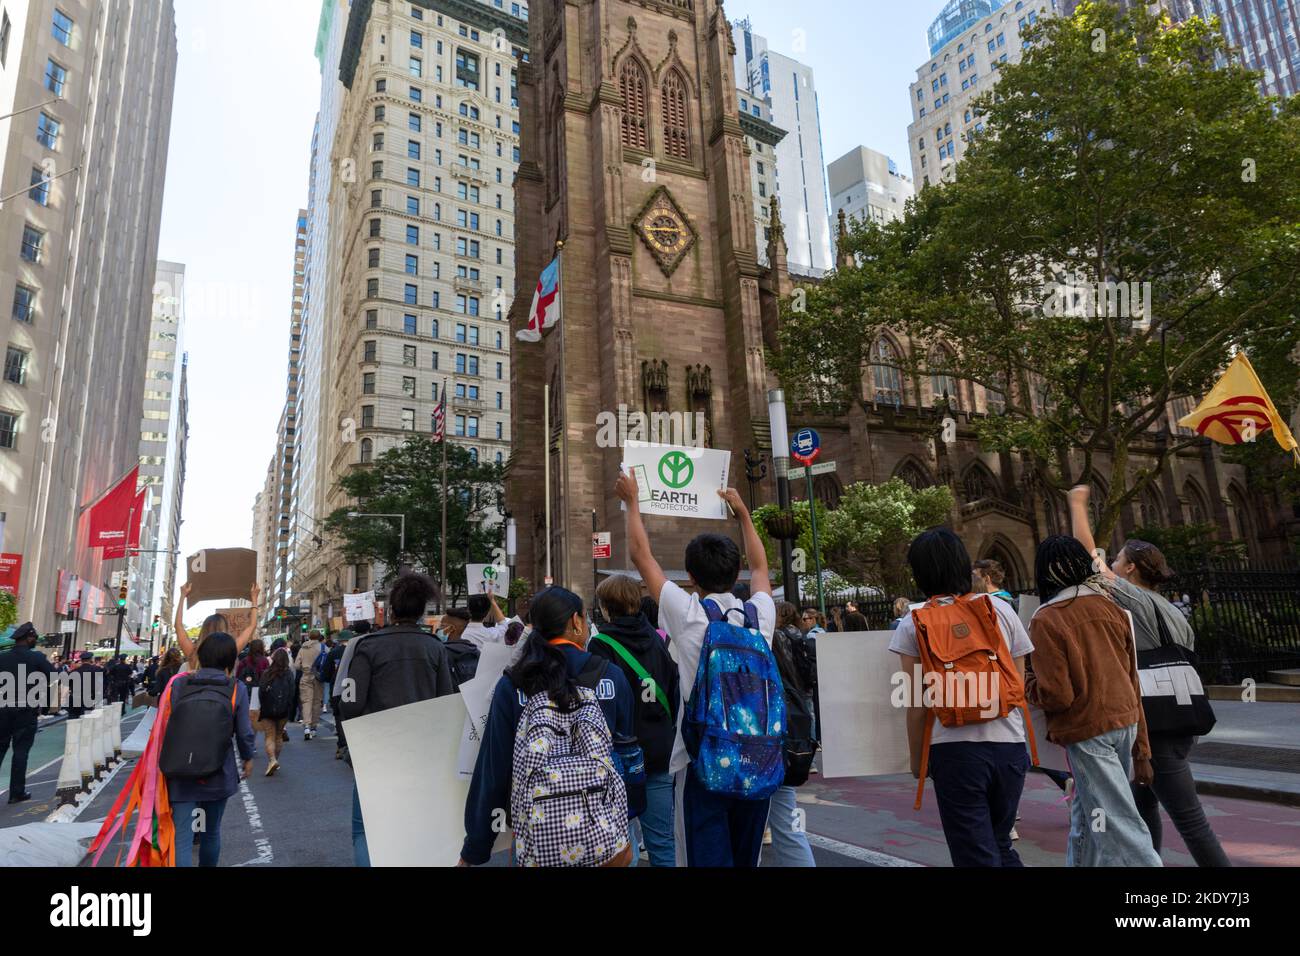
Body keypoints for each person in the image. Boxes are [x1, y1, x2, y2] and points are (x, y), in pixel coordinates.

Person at [617, 471, 777, 868]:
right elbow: (761, 570)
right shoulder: (759, 616)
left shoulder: (690, 617)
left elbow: (642, 557)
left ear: (690, 577)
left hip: (702, 765)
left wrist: (633, 501)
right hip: (758, 766)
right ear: (734, 570)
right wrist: (743, 515)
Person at [1067, 485, 1230, 867]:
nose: (1113, 562)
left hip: (1155, 726)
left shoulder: (1136, 601)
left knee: (1191, 820)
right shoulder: (1173, 610)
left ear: (1129, 569)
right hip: (1179, 720)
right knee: (1142, 811)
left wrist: (1077, 504)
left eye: (1118, 559)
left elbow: (1089, 558)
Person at [889, 528, 1034, 867]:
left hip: (954, 751)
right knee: (1001, 844)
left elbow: (916, 701)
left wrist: (916, 760)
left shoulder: (914, 621)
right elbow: (1018, 683)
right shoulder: (1002, 611)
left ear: (920, 573)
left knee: (973, 854)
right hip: (1010, 746)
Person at [460, 586, 635, 866]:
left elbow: (494, 769)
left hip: (539, 839)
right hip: (606, 837)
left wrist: (475, 847)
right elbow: (628, 756)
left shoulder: (513, 684)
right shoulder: (612, 677)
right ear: (576, 621)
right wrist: (630, 813)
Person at [1024, 534, 1162, 867]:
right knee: (1088, 816)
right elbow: (1132, 680)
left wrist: (1026, 683)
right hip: (1125, 722)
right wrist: (1142, 751)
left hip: (1087, 730)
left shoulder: (1046, 618)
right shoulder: (1113, 608)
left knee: (1118, 826)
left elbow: (1057, 696)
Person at [339, 572, 455, 867]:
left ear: (391, 610)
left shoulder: (367, 646)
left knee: (365, 829)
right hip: (421, 755)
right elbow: (447, 702)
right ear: (422, 612)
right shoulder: (435, 648)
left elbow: (350, 703)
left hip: (375, 751)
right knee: (416, 829)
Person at [589, 573, 681, 867]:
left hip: (620, 755)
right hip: (660, 751)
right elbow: (673, 690)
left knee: (621, 843)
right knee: (662, 842)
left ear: (606, 607)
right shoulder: (657, 639)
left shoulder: (600, 645)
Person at [162, 632, 255, 867]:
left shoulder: (179, 683)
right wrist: (247, 758)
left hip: (180, 769)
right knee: (210, 833)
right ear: (230, 659)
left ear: (201, 655)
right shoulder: (236, 688)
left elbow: (168, 723)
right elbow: (244, 731)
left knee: (182, 836)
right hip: (218, 770)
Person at [769, 603, 817, 866]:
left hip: (751, 750)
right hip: (785, 746)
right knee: (790, 827)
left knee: (744, 833)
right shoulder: (788, 639)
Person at [0, 623, 54, 803]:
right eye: (34, 639)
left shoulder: (2, 658)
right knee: (21, 752)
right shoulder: (36, 658)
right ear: (29, 638)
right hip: (25, 710)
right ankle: (16, 793)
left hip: (3, 710)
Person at [173, 581, 260, 673]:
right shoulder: (232, 649)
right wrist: (254, 598)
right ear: (225, 630)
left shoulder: (192, 652)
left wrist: (182, 596)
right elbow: (252, 626)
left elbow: (178, 626)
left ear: (203, 630)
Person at [255, 648, 296, 776]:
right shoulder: (289, 674)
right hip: (283, 710)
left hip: (268, 709)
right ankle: (275, 760)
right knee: (278, 735)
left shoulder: (266, 673)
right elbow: (292, 692)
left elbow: (261, 692)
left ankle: (272, 760)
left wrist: (262, 706)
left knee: (269, 736)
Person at [294, 630, 325, 740]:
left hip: (306, 676)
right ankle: (314, 727)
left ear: (309, 636)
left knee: (306, 701)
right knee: (317, 702)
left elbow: (296, 665)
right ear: (319, 637)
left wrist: (305, 667)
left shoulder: (303, 648)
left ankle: (306, 726)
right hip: (318, 678)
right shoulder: (323, 648)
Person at [65, 652, 105, 720]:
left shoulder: (74, 671)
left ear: (81, 660)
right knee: (86, 719)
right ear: (91, 659)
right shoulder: (96, 670)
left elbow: (68, 684)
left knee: (73, 718)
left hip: (75, 697)